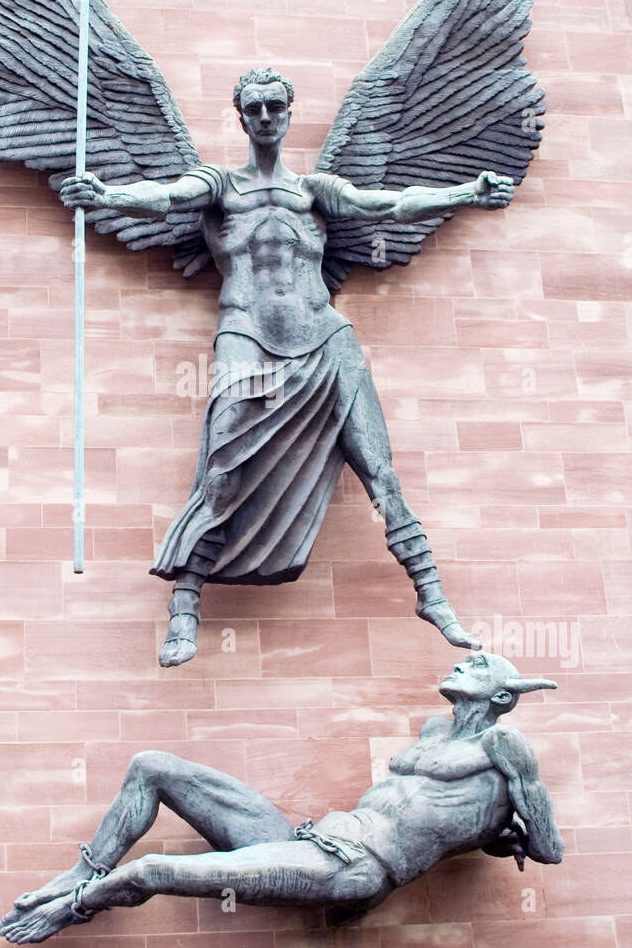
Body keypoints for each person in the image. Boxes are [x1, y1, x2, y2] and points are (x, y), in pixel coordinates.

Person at [62, 68, 515, 666]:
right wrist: (108, 195)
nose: (267, 117)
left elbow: (388, 205)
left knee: (379, 468)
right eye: (255, 108)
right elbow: (167, 197)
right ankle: (185, 607)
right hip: (247, 333)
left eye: (276, 106)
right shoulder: (219, 184)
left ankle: (432, 595)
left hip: (326, 337)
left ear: (290, 112)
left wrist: (466, 194)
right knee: (223, 465)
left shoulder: (315, 190)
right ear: (241, 116)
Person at [0, 651, 563, 944]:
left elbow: (547, 849)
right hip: (312, 841)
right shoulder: (434, 733)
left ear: (504, 697)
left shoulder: (506, 743)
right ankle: (80, 873)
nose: (466, 660)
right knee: (154, 767)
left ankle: (71, 911)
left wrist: (500, 833)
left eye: (481, 665)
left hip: (357, 867)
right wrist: (487, 834)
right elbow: (435, 817)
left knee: (151, 870)